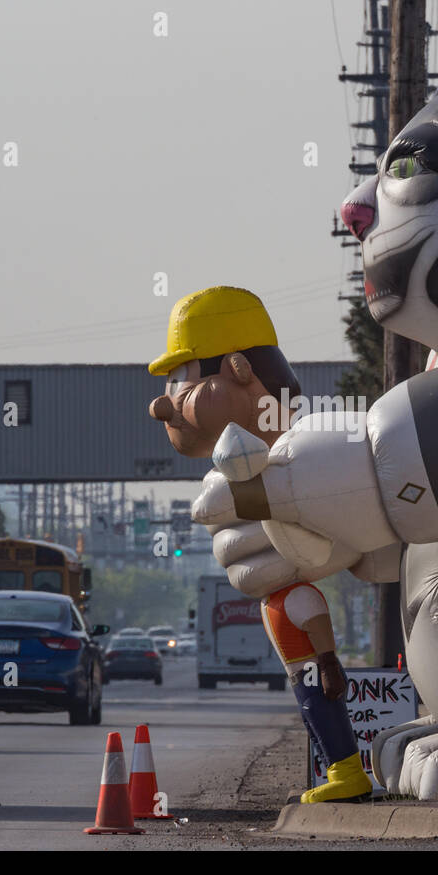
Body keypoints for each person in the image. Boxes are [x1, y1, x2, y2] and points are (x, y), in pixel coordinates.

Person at [148, 285, 372, 803]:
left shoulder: (311, 453)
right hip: (298, 659)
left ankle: (347, 773)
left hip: (308, 653)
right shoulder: (239, 471)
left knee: (320, 707)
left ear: (239, 369)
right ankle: (342, 773)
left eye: (182, 382)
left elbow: (312, 584)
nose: (163, 405)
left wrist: (333, 661)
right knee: (311, 708)